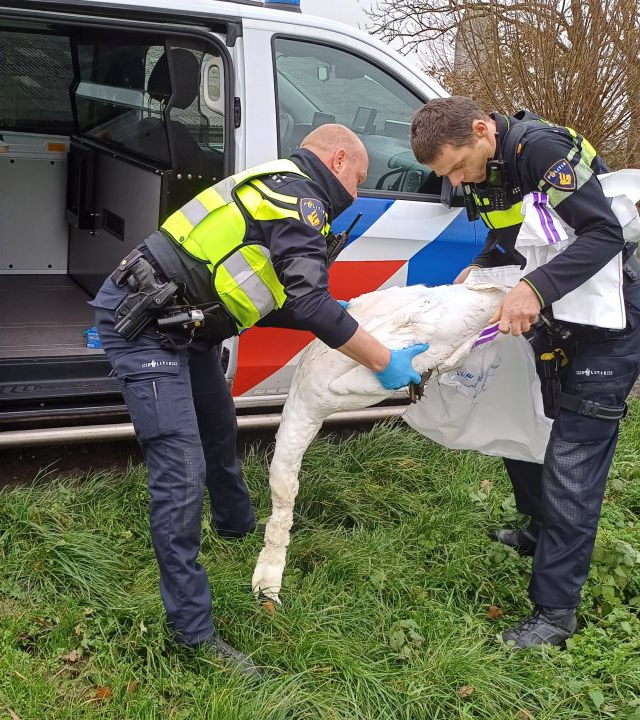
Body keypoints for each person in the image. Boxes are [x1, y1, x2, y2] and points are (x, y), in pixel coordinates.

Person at [91, 124, 430, 676]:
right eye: (359, 179)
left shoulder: (280, 187)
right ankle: (192, 632)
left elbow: (273, 300)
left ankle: (236, 527)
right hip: (144, 325)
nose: (356, 192)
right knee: (180, 469)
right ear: (337, 159)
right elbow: (311, 304)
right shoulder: (299, 199)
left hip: (187, 325)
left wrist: (348, 319)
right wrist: (381, 359)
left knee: (219, 427)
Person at [410, 97, 640, 649]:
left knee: (573, 454)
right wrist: (481, 266)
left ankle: (555, 612)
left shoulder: (542, 151)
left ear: (483, 130)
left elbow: (603, 234)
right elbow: (510, 232)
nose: (456, 182)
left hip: (611, 320)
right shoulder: (488, 169)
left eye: (457, 167)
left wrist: (533, 289)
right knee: (521, 418)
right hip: (558, 316)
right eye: (447, 175)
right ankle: (540, 529)